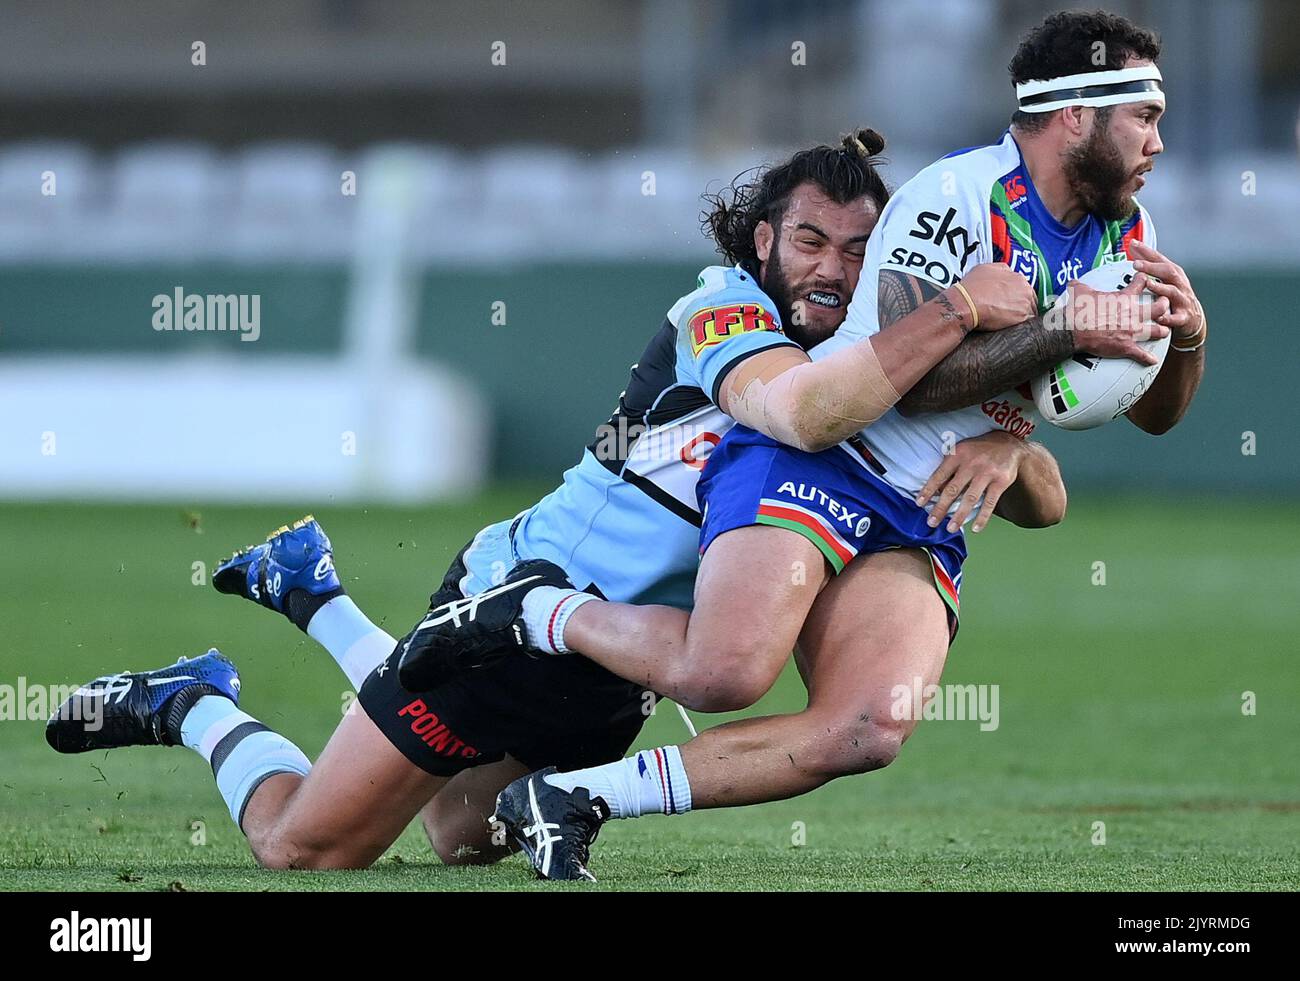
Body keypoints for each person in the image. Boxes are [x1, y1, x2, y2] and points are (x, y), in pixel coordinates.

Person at [45, 132, 1051, 874]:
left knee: (458, 838)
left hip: (615, 661)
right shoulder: (725, 309)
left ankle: (317, 599)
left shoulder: (871, 354)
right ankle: (195, 703)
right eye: (809, 241)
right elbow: (797, 416)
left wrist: (1009, 444)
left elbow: (1020, 476)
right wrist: (962, 312)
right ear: (761, 241)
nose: (830, 267)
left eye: (853, 248)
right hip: (525, 602)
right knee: (306, 848)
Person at [411, 9, 1205, 881]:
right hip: (824, 461)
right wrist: (1055, 335)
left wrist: (1187, 344)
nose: (1158, 140)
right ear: (1073, 116)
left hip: (920, 511)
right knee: (721, 675)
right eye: (1145, 115)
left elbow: (1155, 417)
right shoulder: (952, 202)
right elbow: (917, 378)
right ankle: (528, 609)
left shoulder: (1132, 238)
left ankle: (574, 799)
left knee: (870, 727)